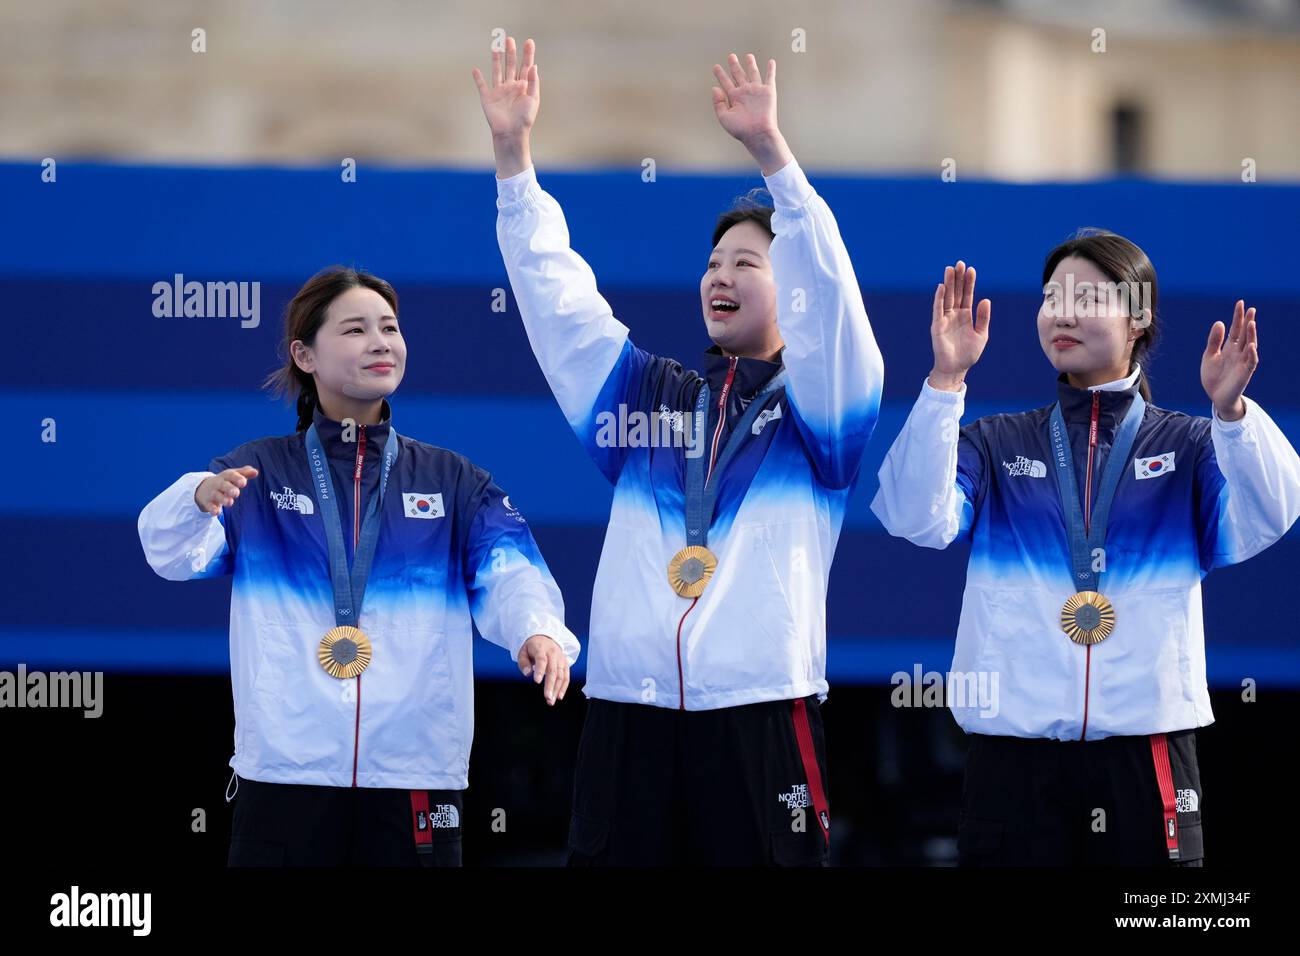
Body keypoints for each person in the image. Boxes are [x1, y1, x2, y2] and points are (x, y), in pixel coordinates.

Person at [474, 38, 883, 865]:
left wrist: (774, 158)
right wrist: (515, 161)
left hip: (763, 712)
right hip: (628, 713)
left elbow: (836, 307)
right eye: (712, 262)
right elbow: (562, 310)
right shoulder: (647, 399)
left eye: (746, 262)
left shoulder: (820, 414)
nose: (719, 275)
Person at [871, 233, 1300, 865]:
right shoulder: (993, 441)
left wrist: (1231, 412)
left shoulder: (1191, 446)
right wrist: (945, 380)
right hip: (1012, 756)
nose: (1062, 313)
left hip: (1146, 747)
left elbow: (1270, 514)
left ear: (1139, 319)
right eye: (1051, 298)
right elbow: (914, 517)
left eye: (1088, 297)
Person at [138, 265, 580, 866]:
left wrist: (536, 629)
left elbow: (511, 568)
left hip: (414, 771)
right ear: (305, 354)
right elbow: (170, 553)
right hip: (284, 774)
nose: (380, 342)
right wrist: (195, 498)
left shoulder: (452, 480)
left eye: (390, 328)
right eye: (355, 329)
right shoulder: (257, 473)